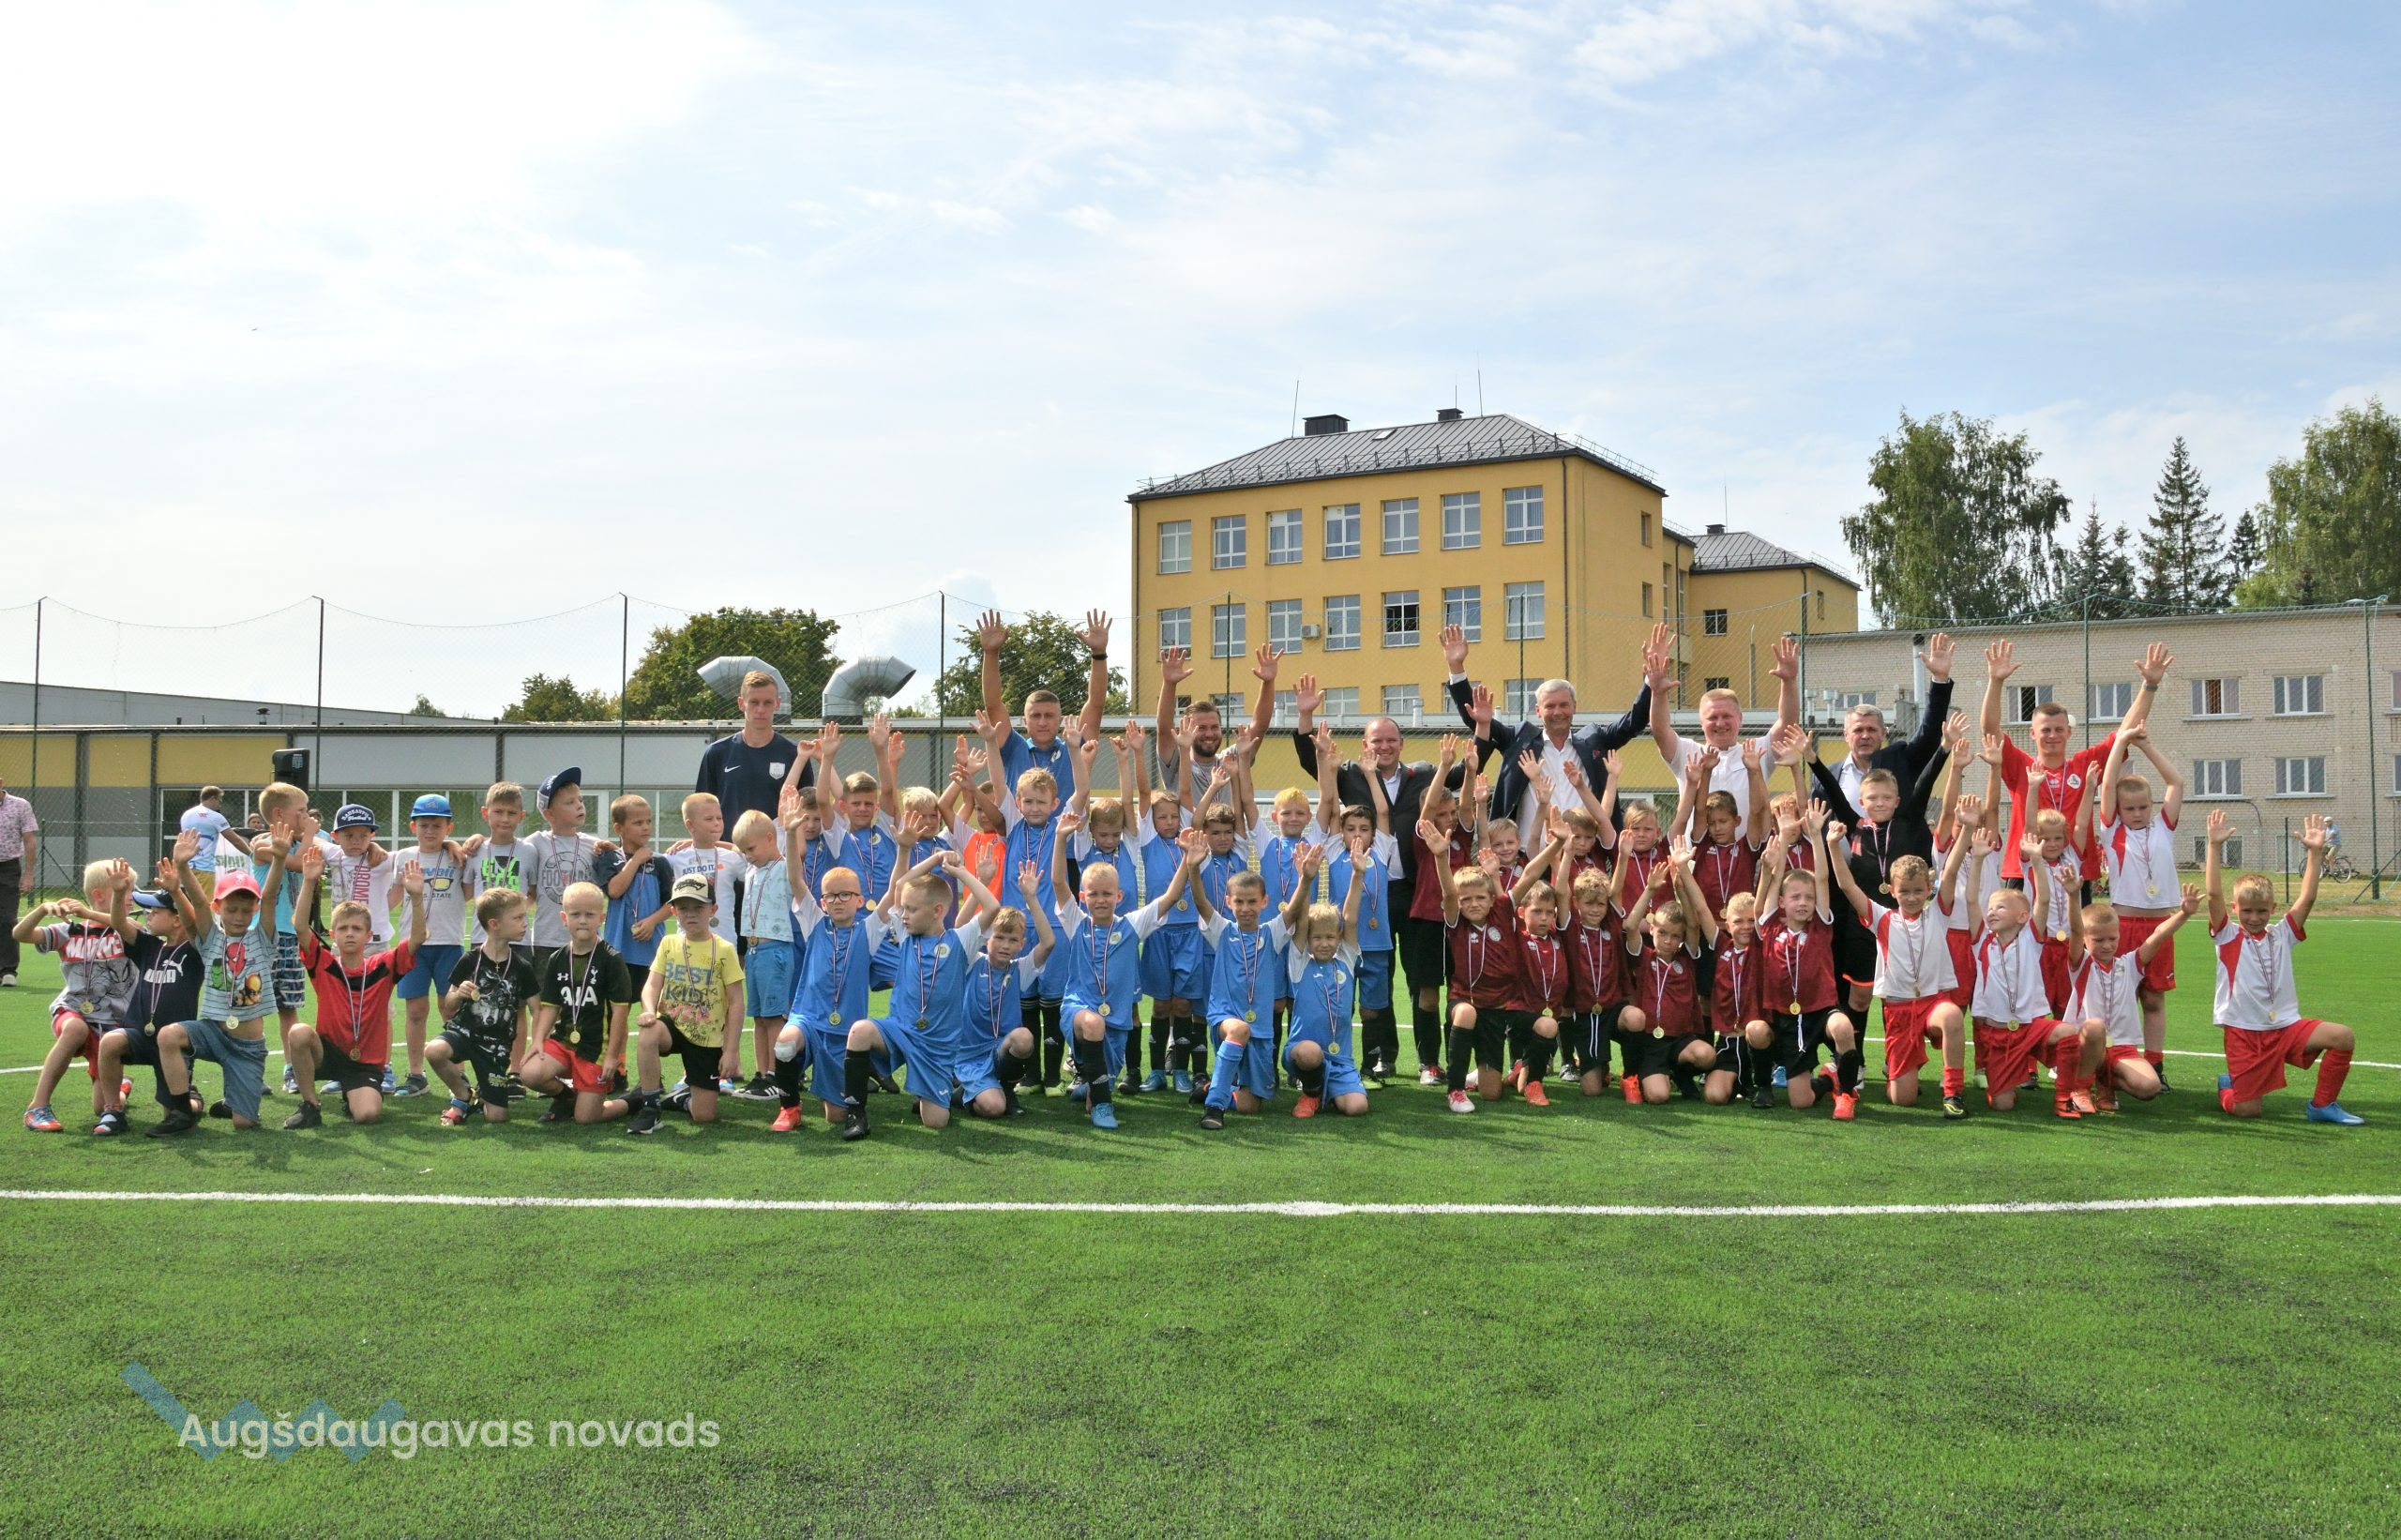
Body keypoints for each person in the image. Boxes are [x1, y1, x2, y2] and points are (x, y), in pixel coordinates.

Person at [1291, 670, 1482, 1082]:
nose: (1384, 746)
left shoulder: (1424, 774)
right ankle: (1384, 1057)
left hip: (1419, 895)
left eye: (1391, 739)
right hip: (1366, 895)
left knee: (1421, 982)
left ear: (1402, 743)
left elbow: (1470, 768)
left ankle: (1429, 1060)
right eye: (1376, 741)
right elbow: (1315, 765)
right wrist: (1305, 718)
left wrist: (1480, 726)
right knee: (1374, 975)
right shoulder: (1353, 777)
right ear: (1366, 745)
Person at [836, 851, 1006, 1141]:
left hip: (935, 1046)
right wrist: (936, 857)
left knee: (935, 1123)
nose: (903, 915)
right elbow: (900, 885)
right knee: (860, 1031)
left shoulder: (960, 940)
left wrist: (960, 873)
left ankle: (941, 1093)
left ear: (938, 910)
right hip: (900, 1029)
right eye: (904, 909)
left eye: (912, 910)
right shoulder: (905, 933)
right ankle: (856, 1114)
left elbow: (992, 905)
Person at [2204, 811, 2360, 1124]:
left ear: (2273, 909)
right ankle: (2229, 1087)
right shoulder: (2227, 935)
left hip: (2285, 1027)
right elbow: (2214, 894)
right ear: (2235, 909)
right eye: (2247, 910)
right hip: (2244, 1033)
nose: (2254, 917)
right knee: (2248, 1111)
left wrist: (2315, 852)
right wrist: (2214, 846)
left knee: (2343, 1036)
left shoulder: (2282, 933)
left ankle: (2322, 1106)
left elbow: (2308, 897)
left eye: (2262, 911)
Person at [1977, 638, 2171, 884]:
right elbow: (1990, 732)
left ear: (2069, 732)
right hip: (2025, 869)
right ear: (2033, 733)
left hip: (2075, 868)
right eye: (2045, 730)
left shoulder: (2085, 765)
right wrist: (1996, 681)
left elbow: (2125, 734)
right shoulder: (2021, 766)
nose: (2053, 735)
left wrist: (2149, 685)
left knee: (2079, 925)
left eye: (2059, 729)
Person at [1051, 809, 1195, 1130]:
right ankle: (1102, 1105)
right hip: (1079, 1010)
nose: (1100, 900)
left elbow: (1171, 897)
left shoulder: (1131, 925)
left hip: (1116, 1020)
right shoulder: (1077, 922)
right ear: (1083, 897)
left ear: (1119, 896)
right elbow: (1058, 881)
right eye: (1094, 894)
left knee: (1103, 1063)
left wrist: (1187, 857)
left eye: (1106, 894)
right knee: (1092, 1023)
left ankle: (1092, 1086)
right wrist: (1061, 838)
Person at [155, 820, 294, 1131]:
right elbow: (199, 904)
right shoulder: (211, 939)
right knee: (168, 1035)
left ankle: (235, 1099)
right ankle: (181, 1111)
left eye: (246, 910)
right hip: (213, 1034)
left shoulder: (262, 939)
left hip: (246, 1048)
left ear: (255, 909)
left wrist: (281, 858)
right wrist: (182, 865)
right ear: (219, 907)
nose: (239, 916)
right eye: (231, 909)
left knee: (244, 1124)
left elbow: (270, 897)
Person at [1447, 622, 1649, 831]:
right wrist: (1456, 668)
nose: (1557, 712)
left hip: (1583, 855)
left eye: (1564, 705)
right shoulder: (1519, 740)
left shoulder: (1594, 740)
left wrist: (1651, 679)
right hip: (1530, 855)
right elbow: (1477, 719)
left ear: (1574, 707)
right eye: (1550, 706)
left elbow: (1634, 723)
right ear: (1538, 711)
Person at [1824, 837, 1973, 1118]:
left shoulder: (1938, 913)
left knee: (1952, 1015)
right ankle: (1903, 1072)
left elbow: (1950, 872)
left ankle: (1953, 1093)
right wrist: (1833, 845)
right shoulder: (1882, 918)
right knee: (1903, 1100)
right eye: (1905, 891)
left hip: (1933, 1002)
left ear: (1929, 889)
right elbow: (1847, 886)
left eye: (1919, 890)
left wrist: (1965, 829)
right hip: (1899, 1010)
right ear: (1892, 890)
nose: (1913, 897)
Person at [282, 845, 427, 1128]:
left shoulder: (382, 966)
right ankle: (310, 1105)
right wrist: (310, 881)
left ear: (368, 935)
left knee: (368, 1115)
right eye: (344, 928)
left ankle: (353, 1095)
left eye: (357, 929)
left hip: (364, 1063)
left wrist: (417, 897)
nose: (350, 933)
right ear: (333, 934)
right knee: (298, 1033)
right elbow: (300, 927)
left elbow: (418, 938)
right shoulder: (324, 964)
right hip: (328, 1052)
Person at [2089, 722, 2186, 1082]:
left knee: (2155, 998)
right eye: (2130, 808)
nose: (2138, 813)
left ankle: (2156, 1067)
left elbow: (2176, 783)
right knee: (2117, 997)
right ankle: (2110, 1062)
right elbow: (2110, 782)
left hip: (2161, 925)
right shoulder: (2112, 830)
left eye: (2144, 806)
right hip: (2124, 925)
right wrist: (2122, 743)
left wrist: (2146, 746)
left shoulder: (2164, 827)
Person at [1966, 835, 2088, 1118]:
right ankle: (2006, 1079)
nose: (1992, 911)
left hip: (2030, 1028)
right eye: (1991, 908)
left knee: (2069, 1033)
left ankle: (2063, 1097)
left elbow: (2042, 899)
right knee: (2001, 1104)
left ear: (2022, 917)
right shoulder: (1981, 940)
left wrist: (2036, 859)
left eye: (2001, 907)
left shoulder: (2031, 937)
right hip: (1998, 1034)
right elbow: (1972, 899)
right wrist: (1979, 859)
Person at [15, 858, 137, 1132]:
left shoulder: (128, 930)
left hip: (110, 1026)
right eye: (126, 890)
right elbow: (20, 934)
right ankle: (37, 1107)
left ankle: (121, 1088)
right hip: (72, 1009)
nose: (132, 896)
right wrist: (42, 909)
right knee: (75, 1029)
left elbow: (127, 924)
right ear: (99, 894)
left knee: (102, 1106)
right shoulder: (67, 931)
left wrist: (87, 912)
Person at [1755, 805, 1861, 1118]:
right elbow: (1774, 882)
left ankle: (1846, 1094)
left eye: (1809, 898)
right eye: (1796, 897)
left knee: (1843, 1026)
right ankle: (1829, 1082)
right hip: (1786, 1017)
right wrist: (1785, 839)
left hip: (1820, 1010)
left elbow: (1823, 878)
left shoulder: (1821, 925)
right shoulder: (1771, 924)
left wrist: (1815, 835)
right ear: (1783, 903)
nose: (1803, 902)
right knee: (1800, 1101)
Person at [95, 850, 209, 1137]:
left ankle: (191, 1097)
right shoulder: (149, 946)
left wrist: (177, 891)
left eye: (155, 911)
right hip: (140, 1034)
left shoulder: (195, 950)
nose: (148, 915)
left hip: (172, 1043)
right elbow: (120, 924)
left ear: (176, 920)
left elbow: (194, 923)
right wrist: (120, 894)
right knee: (109, 1042)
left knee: (178, 1114)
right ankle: (113, 1111)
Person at [626, 872, 745, 1136]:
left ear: (713, 909)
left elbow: (736, 1002)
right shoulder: (669, 943)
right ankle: (650, 1106)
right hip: (672, 1025)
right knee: (648, 1032)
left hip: (707, 1036)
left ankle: (679, 1098)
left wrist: (731, 1050)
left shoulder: (724, 949)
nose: (690, 914)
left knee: (704, 1116)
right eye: (683, 908)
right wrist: (648, 1011)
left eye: (698, 908)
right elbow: (652, 984)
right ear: (673, 911)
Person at [1646, 628, 1801, 826]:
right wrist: (1657, 693)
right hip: (1695, 856)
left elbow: (1787, 723)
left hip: (1749, 855)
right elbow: (1660, 731)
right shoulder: (1688, 753)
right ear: (1701, 723)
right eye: (1712, 717)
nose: (1720, 723)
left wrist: (1789, 681)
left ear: (1740, 719)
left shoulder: (1756, 753)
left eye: (1727, 716)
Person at [1422, 817, 1522, 1113]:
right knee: (1465, 1011)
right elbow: (1449, 893)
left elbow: (1524, 880)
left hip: (1495, 1011)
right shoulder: (1456, 923)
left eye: (1480, 898)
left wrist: (1557, 845)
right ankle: (1454, 1091)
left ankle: (1479, 1073)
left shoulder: (1499, 914)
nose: (1473, 904)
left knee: (1492, 1094)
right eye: (1467, 899)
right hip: (1464, 1002)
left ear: (1491, 899)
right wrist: (1441, 855)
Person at [518, 881, 637, 1125]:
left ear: (601, 918)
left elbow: (620, 1014)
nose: (582, 920)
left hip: (596, 1048)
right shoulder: (557, 958)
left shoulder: (611, 959)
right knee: (530, 1073)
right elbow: (549, 1007)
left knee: (586, 1119)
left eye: (589, 915)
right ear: (564, 917)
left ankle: (634, 1100)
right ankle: (566, 1098)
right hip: (564, 1041)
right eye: (575, 914)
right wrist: (538, 1040)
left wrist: (614, 1057)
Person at [2066, 890, 2196, 1114]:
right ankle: (2079, 1088)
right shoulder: (2081, 963)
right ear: (2085, 941)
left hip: (2122, 1047)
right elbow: (2077, 930)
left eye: (2112, 939)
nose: (2107, 945)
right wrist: (2073, 894)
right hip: (2085, 1045)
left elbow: (2157, 936)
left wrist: (2184, 914)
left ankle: (2106, 1083)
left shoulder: (2129, 964)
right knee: (2095, 1027)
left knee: (2150, 1087)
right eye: (2098, 940)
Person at [1192, 843, 1293, 1125]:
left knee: (1250, 1107)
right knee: (1238, 1028)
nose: (1245, 908)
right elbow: (1201, 903)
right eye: (1239, 902)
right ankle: (1214, 1108)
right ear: (1228, 902)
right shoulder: (1222, 930)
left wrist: (1307, 877)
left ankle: (1211, 1089)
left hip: (1260, 1028)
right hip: (1225, 1017)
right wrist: (1192, 866)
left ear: (1264, 902)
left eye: (1251, 902)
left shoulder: (1272, 933)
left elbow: (1294, 911)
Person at [1616, 843, 1715, 1106]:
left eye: (1675, 936)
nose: (1668, 941)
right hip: (1652, 1041)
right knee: (1658, 1097)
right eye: (1662, 933)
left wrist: (1680, 886)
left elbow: (1693, 923)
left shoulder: (1687, 958)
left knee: (1707, 1056)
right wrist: (1650, 889)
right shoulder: (1643, 955)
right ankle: (1646, 1074)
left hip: (1682, 1039)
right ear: (1652, 929)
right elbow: (1629, 925)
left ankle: (1681, 1074)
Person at [956, 864, 1057, 1120]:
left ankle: (1007, 1088)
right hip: (970, 1056)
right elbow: (959, 926)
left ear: (1022, 944)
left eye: (1013, 940)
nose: (1005, 945)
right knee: (993, 1109)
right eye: (999, 937)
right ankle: (956, 1094)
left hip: (1000, 1051)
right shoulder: (971, 962)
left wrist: (1031, 898)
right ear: (987, 937)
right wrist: (981, 881)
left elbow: (1048, 942)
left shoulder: (1019, 970)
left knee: (1024, 1037)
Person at [1281, 839, 1372, 1120]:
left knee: (1357, 1108)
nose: (1323, 944)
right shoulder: (1299, 964)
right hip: (1302, 1053)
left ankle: (1326, 1091)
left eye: (1330, 938)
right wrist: (1306, 879)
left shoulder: (1344, 959)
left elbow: (1351, 918)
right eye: (1317, 938)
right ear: (1308, 940)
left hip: (1340, 1060)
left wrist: (1358, 874)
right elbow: (1302, 924)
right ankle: (1310, 1093)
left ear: (1338, 939)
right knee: (1310, 1053)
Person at [431, 888, 537, 1126]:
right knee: (435, 1051)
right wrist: (459, 994)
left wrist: (538, 1042)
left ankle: (482, 1098)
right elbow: (448, 1006)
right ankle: (463, 1095)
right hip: (464, 1032)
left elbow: (537, 1010)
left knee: (497, 1117)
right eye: (518, 918)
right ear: (494, 924)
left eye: (524, 917)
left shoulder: (521, 966)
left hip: (496, 1047)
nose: (524, 923)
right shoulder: (470, 960)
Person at [977, 609, 1113, 792]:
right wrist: (990, 653)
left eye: (1049, 716)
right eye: (1035, 716)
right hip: (1018, 822)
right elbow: (993, 705)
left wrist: (1099, 653)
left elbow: (1096, 705)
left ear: (1061, 720)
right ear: (1025, 721)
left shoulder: (1074, 748)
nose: (1042, 722)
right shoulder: (1012, 747)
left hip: (1067, 821)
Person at [388, 793, 468, 1098]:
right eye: (424, 825)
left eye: (437, 825)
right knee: (416, 1011)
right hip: (414, 946)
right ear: (412, 827)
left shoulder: (458, 857)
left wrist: (457, 845)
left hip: (449, 944)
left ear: (449, 827)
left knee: (451, 1009)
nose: (430, 831)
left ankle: (457, 1073)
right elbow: (393, 898)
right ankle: (416, 1074)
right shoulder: (403, 857)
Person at [1824, 633, 1958, 809]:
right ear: (1846, 735)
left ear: (1883, 733)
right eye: (1858, 730)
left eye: (1872, 730)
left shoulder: (1902, 761)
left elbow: (1929, 733)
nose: (1865, 736)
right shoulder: (1831, 775)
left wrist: (1940, 680)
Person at [694, 668, 811, 838]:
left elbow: (805, 810)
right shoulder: (717, 753)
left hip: (777, 857)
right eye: (754, 702)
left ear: (777, 704)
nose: (761, 709)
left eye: (768, 703)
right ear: (741, 703)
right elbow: (700, 809)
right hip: (728, 853)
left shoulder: (795, 755)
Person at [730, 808, 795, 1101]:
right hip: (754, 952)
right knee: (757, 1017)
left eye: (751, 848)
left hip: (775, 949)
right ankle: (761, 1073)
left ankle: (777, 1076)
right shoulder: (752, 868)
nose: (747, 855)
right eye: (743, 851)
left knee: (773, 1016)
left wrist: (791, 832)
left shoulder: (785, 868)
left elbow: (795, 858)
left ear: (771, 838)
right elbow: (732, 848)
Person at [520, 766, 601, 971]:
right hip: (546, 941)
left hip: (587, 940)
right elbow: (504, 846)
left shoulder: (595, 846)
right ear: (549, 814)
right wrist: (473, 840)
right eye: (570, 802)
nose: (579, 806)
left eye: (580, 800)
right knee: (546, 1000)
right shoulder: (535, 843)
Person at [670, 792, 748, 947]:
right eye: (709, 819)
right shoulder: (675, 858)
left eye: (719, 818)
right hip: (687, 942)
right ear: (690, 825)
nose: (716, 823)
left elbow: (755, 870)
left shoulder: (732, 857)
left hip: (725, 941)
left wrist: (732, 846)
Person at [0, 772, 38, 988]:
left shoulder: (20, 805)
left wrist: (28, 874)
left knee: (6, 919)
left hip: (9, 867)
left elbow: (30, 841)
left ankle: (8, 971)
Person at [178, 785, 243, 876]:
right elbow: (236, 841)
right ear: (213, 798)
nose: (220, 805)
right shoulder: (215, 816)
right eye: (219, 801)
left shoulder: (186, 814)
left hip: (187, 869)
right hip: (205, 869)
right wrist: (252, 854)